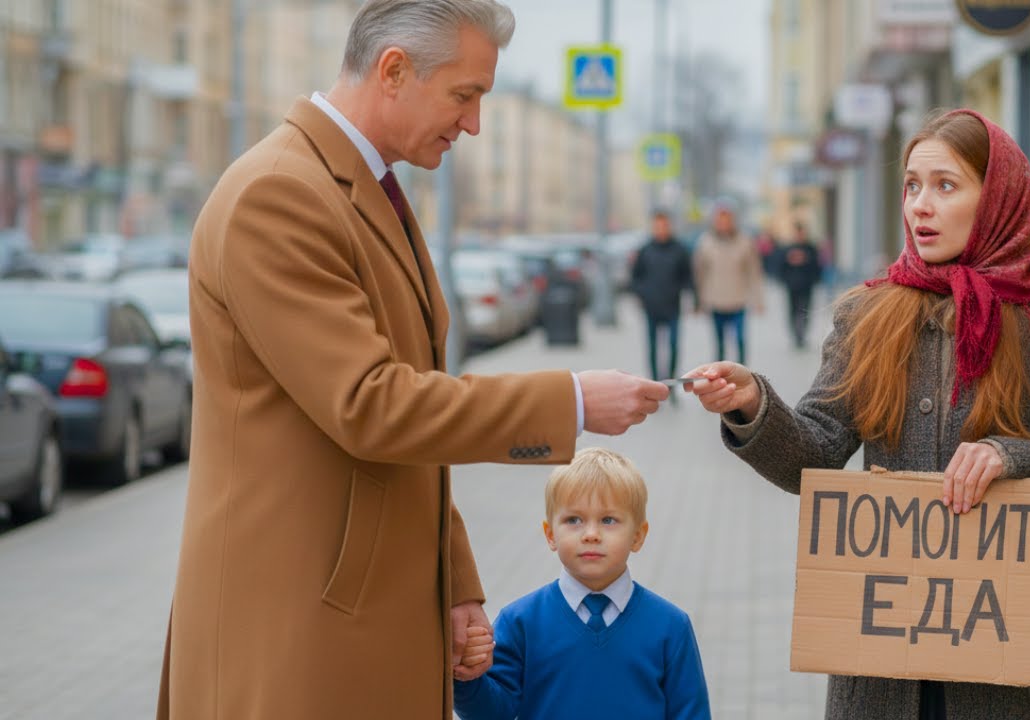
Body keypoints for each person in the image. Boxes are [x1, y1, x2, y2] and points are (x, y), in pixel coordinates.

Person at [157, 2, 669, 718]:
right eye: (465, 95)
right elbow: (372, 403)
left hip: (355, 605)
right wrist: (572, 402)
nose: (473, 124)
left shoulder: (362, 187)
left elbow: (412, 415)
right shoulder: (278, 194)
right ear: (393, 70)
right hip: (296, 623)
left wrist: (453, 583)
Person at [683, 108, 1030, 719]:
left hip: (1011, 683)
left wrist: (1013, 456)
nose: (920, 206)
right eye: (912, 186)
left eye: (946, 186)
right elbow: (814, 453)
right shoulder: (868, 315)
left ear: (997, 197)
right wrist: (752, 406)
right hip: (881, 681)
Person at [453, 447, 712, 720]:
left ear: (637, 536)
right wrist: (468, 677)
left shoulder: (670, 626)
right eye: (573, 520)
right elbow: (493, 712)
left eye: (608, 520)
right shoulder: (520, 623)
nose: (591, 534)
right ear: (550, 534)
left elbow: (691, 713)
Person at [693, 204, 763, 364]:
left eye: (727, 219)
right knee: (719, 344)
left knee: (740, 340)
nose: (723, 223)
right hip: (715, 300)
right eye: (720, 219)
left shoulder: (745, 241)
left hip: (738, 300)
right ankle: (720, 378)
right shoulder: (705, 242)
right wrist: (698, 301)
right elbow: (699, 274)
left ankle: (743, 374)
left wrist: (758, 300)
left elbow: (754, 272)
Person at [630, 209, 693, 384]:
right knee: (652, 347)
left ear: (669, 226)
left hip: (673, 306)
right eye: (657, 226)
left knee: (673, 346)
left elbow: (687, 276)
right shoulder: (645, 250)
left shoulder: (679, 249)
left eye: (664, 225)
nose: (661, 229)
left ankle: (671, 382)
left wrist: (689, 296)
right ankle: (655, 382)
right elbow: (635, 277)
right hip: (651, 307)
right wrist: (642, 293)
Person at [777, 220, 824, 348]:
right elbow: (780, 266)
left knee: (805, 310)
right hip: (792, 285)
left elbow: (817, 266)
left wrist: (807, 261)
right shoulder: (788, 249)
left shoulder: (811, 248)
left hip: (807, 285)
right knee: (792, 310)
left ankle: (802, 334)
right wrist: (785, 278)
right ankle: (796, 334)